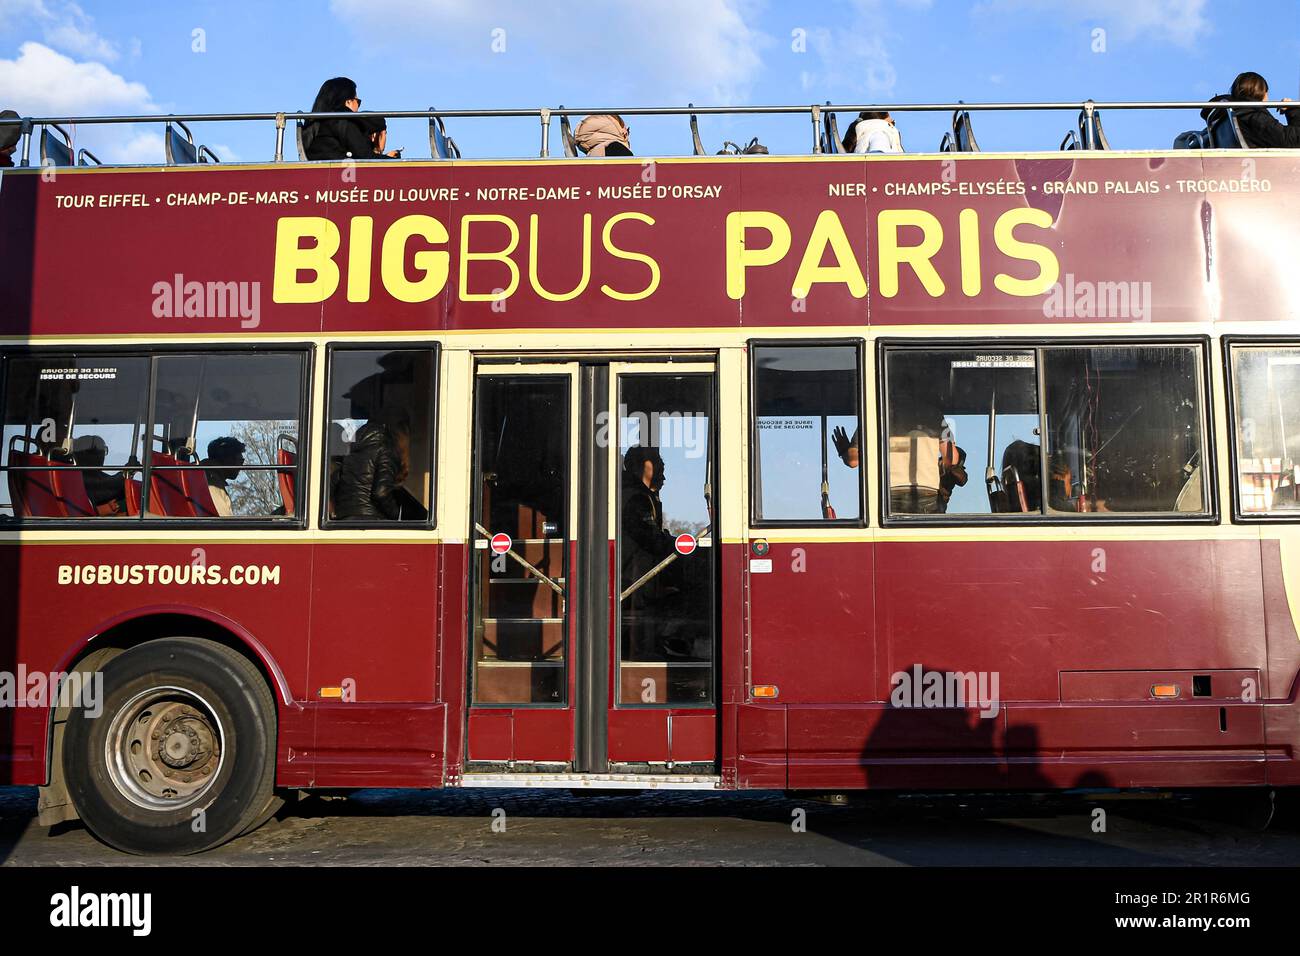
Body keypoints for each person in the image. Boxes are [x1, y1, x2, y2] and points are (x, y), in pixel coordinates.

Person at [334, 408, 423, 520]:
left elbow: (335, 479)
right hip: (371, 521)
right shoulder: (385, 449)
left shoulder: (356, 450)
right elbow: (381, 492)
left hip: (346, 520)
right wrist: (396, 516)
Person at [302, 77, 399, 160]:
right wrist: (391, 159)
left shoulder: (319, 124)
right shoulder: (343, 120)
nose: (358, 108)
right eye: (358, 102)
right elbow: (364, 157)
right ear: (348, 102)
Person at [1202, 71, 1300, 148]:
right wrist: (1293, 109)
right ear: (1262, 93)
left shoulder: (1230, 114)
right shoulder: (1253, 116)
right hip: (1262, 168)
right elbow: (1292, 141)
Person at [71, 435, 126, 514]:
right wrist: (125, 474)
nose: (102, 456)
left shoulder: (100, 476)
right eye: (99, 452)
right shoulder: (78, 478)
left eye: (103, 451)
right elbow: (108, 486)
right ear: (83, 454)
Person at [202, 436, 245, 516]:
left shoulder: (205, 476)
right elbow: (225, 523)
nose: (241, 466)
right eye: (240, 461)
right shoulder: (213, 485)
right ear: (228, 459)